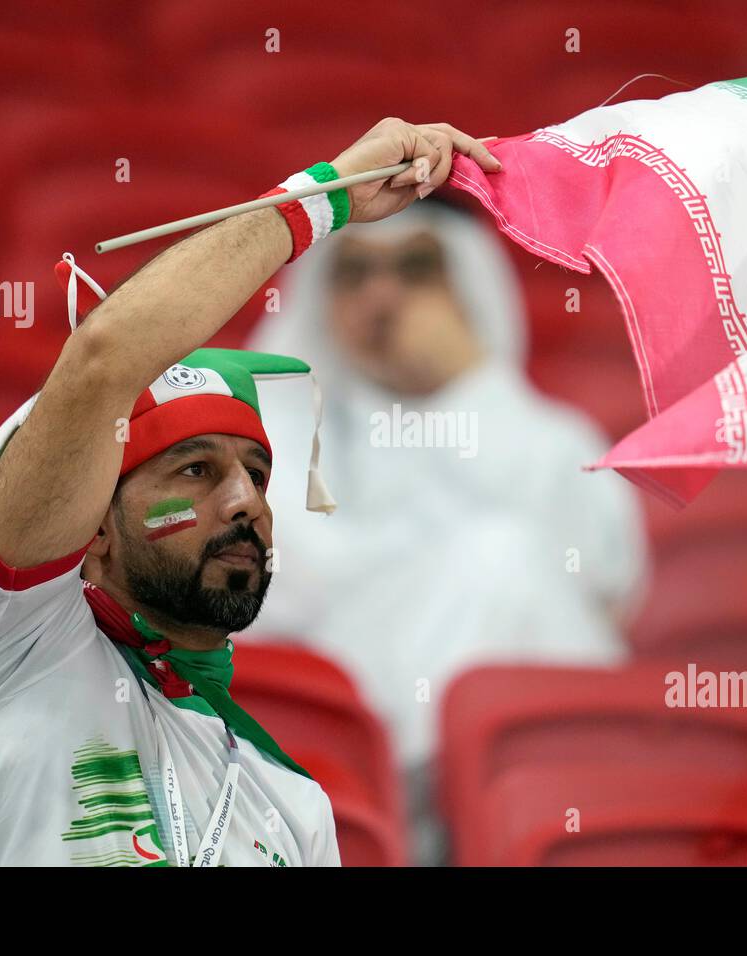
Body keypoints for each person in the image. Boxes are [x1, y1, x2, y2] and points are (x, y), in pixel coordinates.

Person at [0, 119, 504, 866]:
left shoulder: (293, 806)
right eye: (193, 469)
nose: (245, 501)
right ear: (91, 528)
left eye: (257, 472)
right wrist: (324, 196)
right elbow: (102, 361)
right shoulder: (7, 648)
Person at [247, 196, 649, 864]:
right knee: (500, 560)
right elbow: (277, 589)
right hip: (348, 715)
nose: (383, 295)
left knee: (506, 562)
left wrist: (467, 388)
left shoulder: (544, 432)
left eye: (415, 269)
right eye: (355, 273)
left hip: (524, 744)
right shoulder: (273, 427)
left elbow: (609, 574)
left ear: (465, 286)